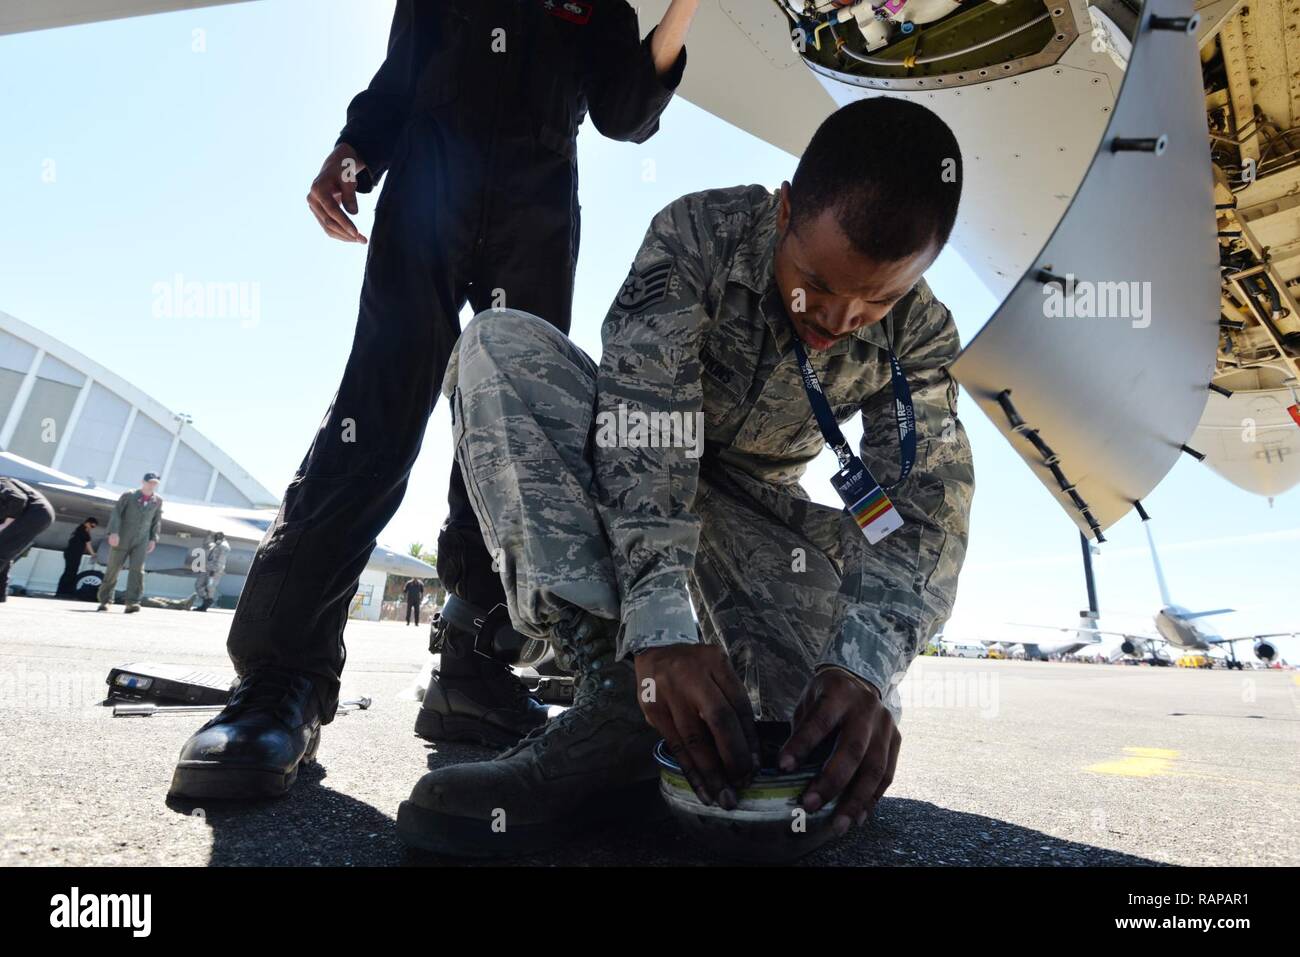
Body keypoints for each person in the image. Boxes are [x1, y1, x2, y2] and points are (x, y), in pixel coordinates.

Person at [395, 98, 975, 856]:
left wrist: (865, 668)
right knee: (499, 347)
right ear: (786, 208)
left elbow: (923, 514)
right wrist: (661, 632)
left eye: (881, 299)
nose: (840, 317)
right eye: (819, 283)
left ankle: (691, 727)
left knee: (810, 732)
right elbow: (646, 438)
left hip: (760, 532)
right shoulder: (698, 237)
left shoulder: (921, 335)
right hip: (629, 494)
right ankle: (615, 701)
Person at [170, 0, 700, 800]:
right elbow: (398, 79)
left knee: (509, 441)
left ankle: (475, 670)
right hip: (426, 196)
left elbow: (624, 113)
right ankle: (281, 680)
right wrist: (352, 153)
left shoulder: (599, 6)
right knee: (371, 417)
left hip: (537, 209)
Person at [96, 473, 163, 614]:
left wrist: (153, 539)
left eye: (155, 483)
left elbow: (156, 520)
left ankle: (132, 602)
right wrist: (113, 532)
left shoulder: (157, 501)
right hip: (123, 536)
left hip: (142, 539)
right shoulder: (129, 495)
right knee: (113, 568)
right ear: (142, 482)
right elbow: (117, 513)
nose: (152, 485)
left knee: (138, 570)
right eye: (149, 482)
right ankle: (105, 601)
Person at [0, 477, 56, 602]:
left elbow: (18, 499)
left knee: (2, 550)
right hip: (37, 514)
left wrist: (5, 524)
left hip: (35, 513)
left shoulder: (2, 482)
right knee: (5, 552)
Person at [56, 517, 98, 597]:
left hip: (71, 553)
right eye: (91, 526)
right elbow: (88, 544)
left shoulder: (78, 530)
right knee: (71, 572)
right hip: (74, 554)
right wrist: (93, 554)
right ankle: (64, 591)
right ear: (87, 523)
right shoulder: (84, 532)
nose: (91, 528)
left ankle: (62, 590)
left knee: (68, 571)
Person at [191, 531, 230, 612]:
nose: (215, 539)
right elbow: (206, 545)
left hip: (214, 571)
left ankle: (206, 603)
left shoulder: (224, 547)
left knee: (210, 587)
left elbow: (221, 561)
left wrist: (214, 570)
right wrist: (208, 535)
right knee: (198, 585)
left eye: (217, 538)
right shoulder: (216, 545)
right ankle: (207, 600)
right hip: (207, 569)